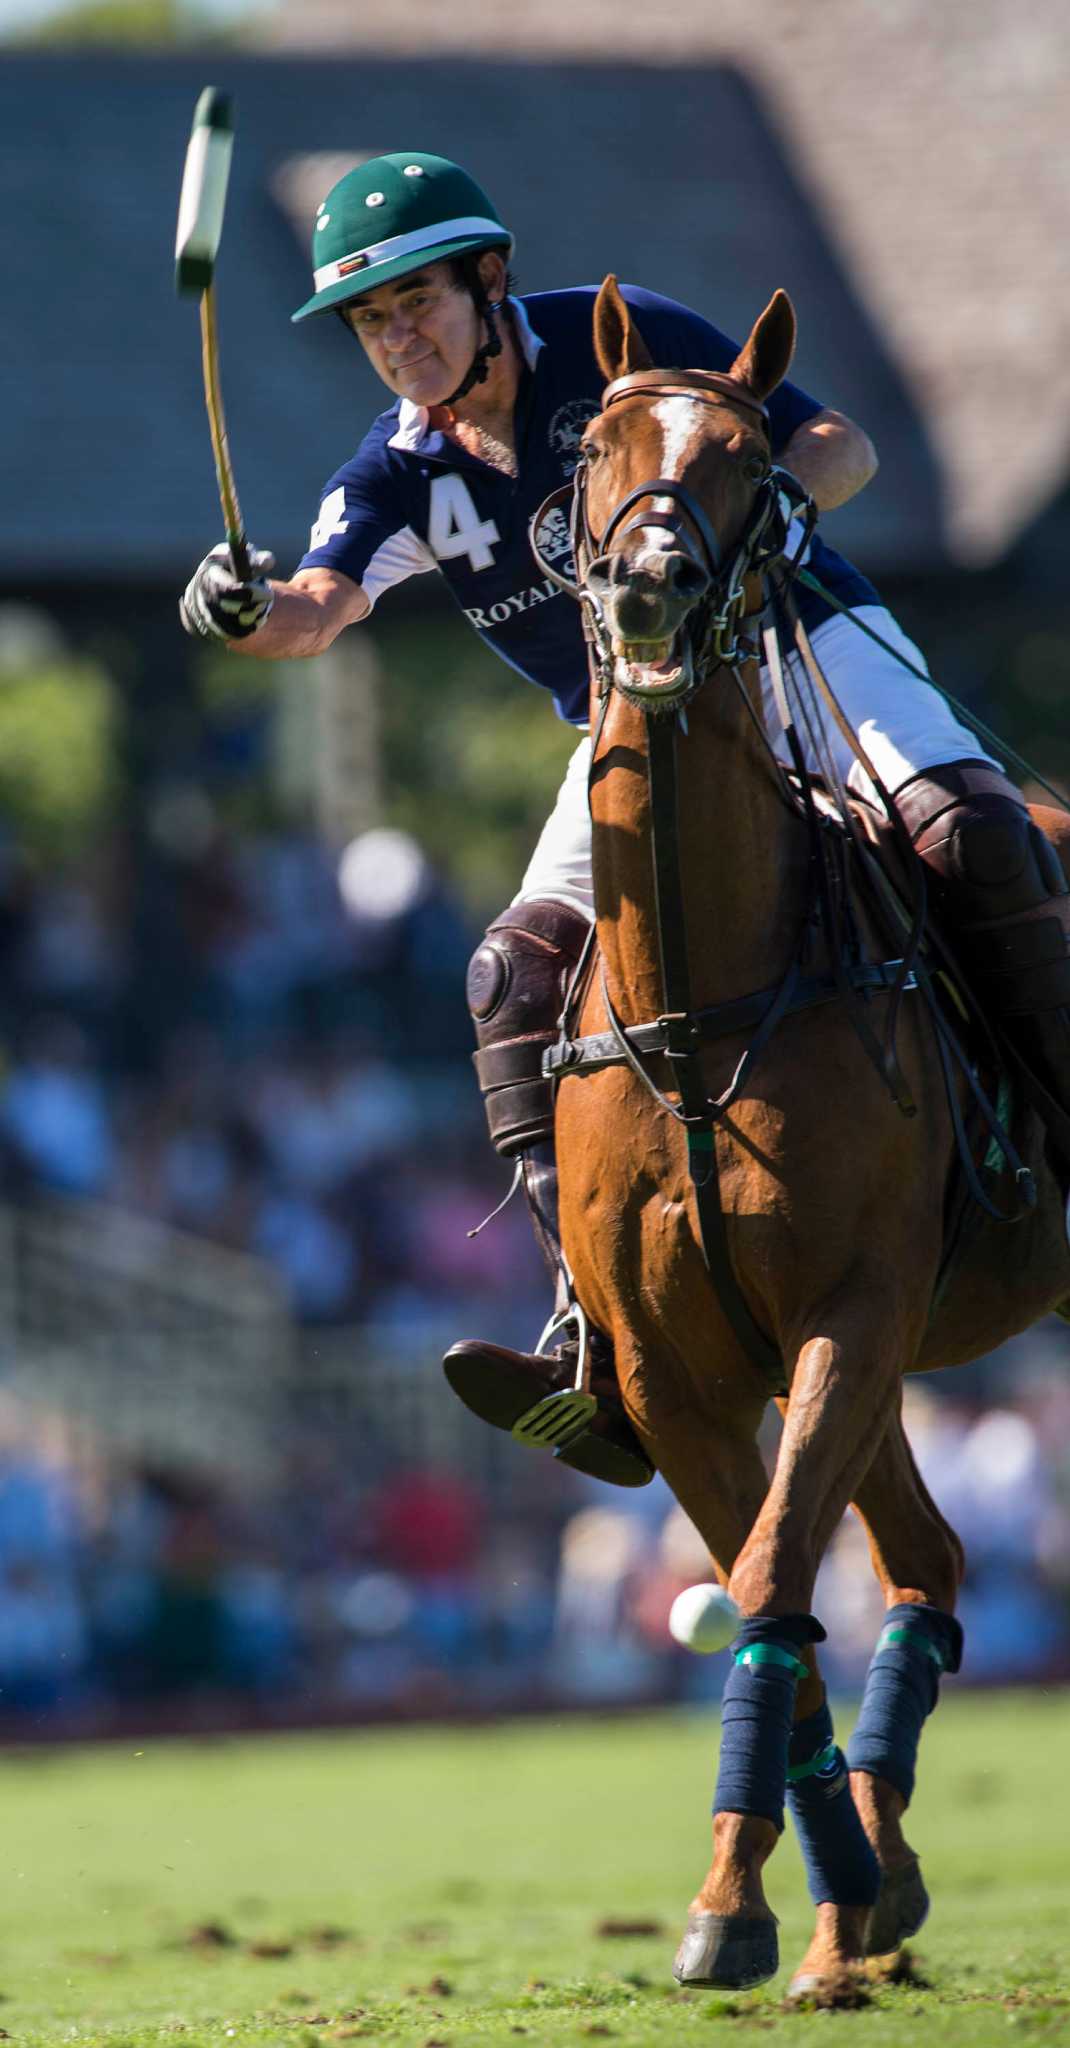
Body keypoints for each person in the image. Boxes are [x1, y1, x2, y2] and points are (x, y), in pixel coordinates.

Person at [181, 152, 1070, 1488]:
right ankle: (589, 1329)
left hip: (801, 641)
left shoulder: (626, 341)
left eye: (417, 303)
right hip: (631, 727)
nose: (398, 340)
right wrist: (239, 607)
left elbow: (841, 442)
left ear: (488, 280)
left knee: (967, 831)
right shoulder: (398, 474)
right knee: (507, 975)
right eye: (371, 323)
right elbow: (316, 607)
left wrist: (743, 513)